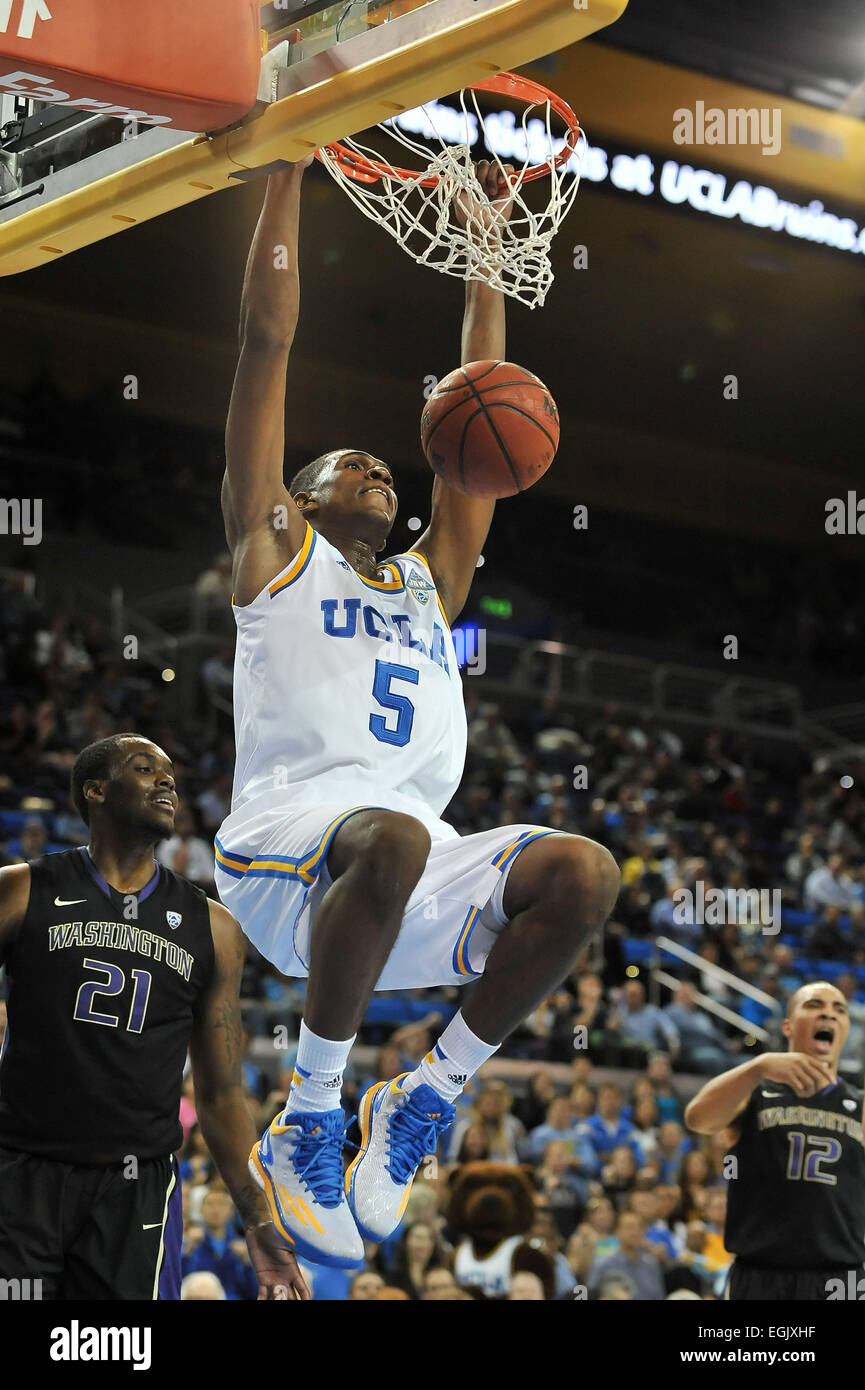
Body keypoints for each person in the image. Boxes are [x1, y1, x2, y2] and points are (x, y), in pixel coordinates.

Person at [213, 155, 621, 1268]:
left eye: (388, 468)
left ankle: (418, 1102)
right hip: (286, 854)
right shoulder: (272, 549)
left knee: (583, 873)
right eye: (352, 466)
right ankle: (309, 1112)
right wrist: (284, 174)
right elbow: (266, 345)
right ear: (297, 498)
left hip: (403, 872)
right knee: (388, 839)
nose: (379, 474)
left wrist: (487, 252)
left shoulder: (428, 579)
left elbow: (475, 393)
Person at [0, 733, 308, 1302]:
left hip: (135, 1191)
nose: (167, 781)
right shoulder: (21, 891)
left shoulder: (214, 928)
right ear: (95, 790)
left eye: (171, 773)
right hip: (21, 1176)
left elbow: (219, 1095)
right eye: (144, 769)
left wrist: (259, 1219)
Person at [685, 980, 865, 1300]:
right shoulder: (755, 1090)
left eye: (839, 1010)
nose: (829, 1015)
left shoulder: (859, 1103)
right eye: (814, 1006)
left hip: (840, 1277)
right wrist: (758, 1066)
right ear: (788, 1026)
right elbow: (698, 1118)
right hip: (760, 1274)